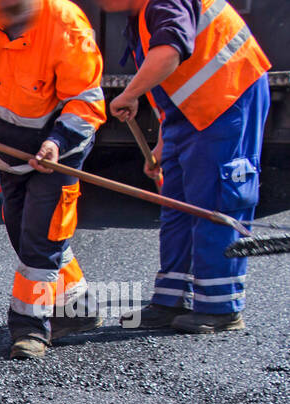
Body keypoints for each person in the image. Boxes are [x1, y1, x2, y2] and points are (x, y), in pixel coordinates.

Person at [0, 0, 107, 360]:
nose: (6, 20)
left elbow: (86, 102)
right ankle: (78, 307)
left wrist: (56, 142)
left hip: (60, 148)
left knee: (41, 238)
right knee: (22, 229)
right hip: (9, 144)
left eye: (16, 13)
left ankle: (30, 328)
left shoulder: (67, 25)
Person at [98, 0, 271, 334]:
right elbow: (174, 84)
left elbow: (170, 53)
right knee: (176, 203)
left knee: (218, 200)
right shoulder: (141, 15)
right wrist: (164, 145)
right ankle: (171, 298)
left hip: (229, 94)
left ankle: (221, 307)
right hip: (189, 112)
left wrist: (129, 94)